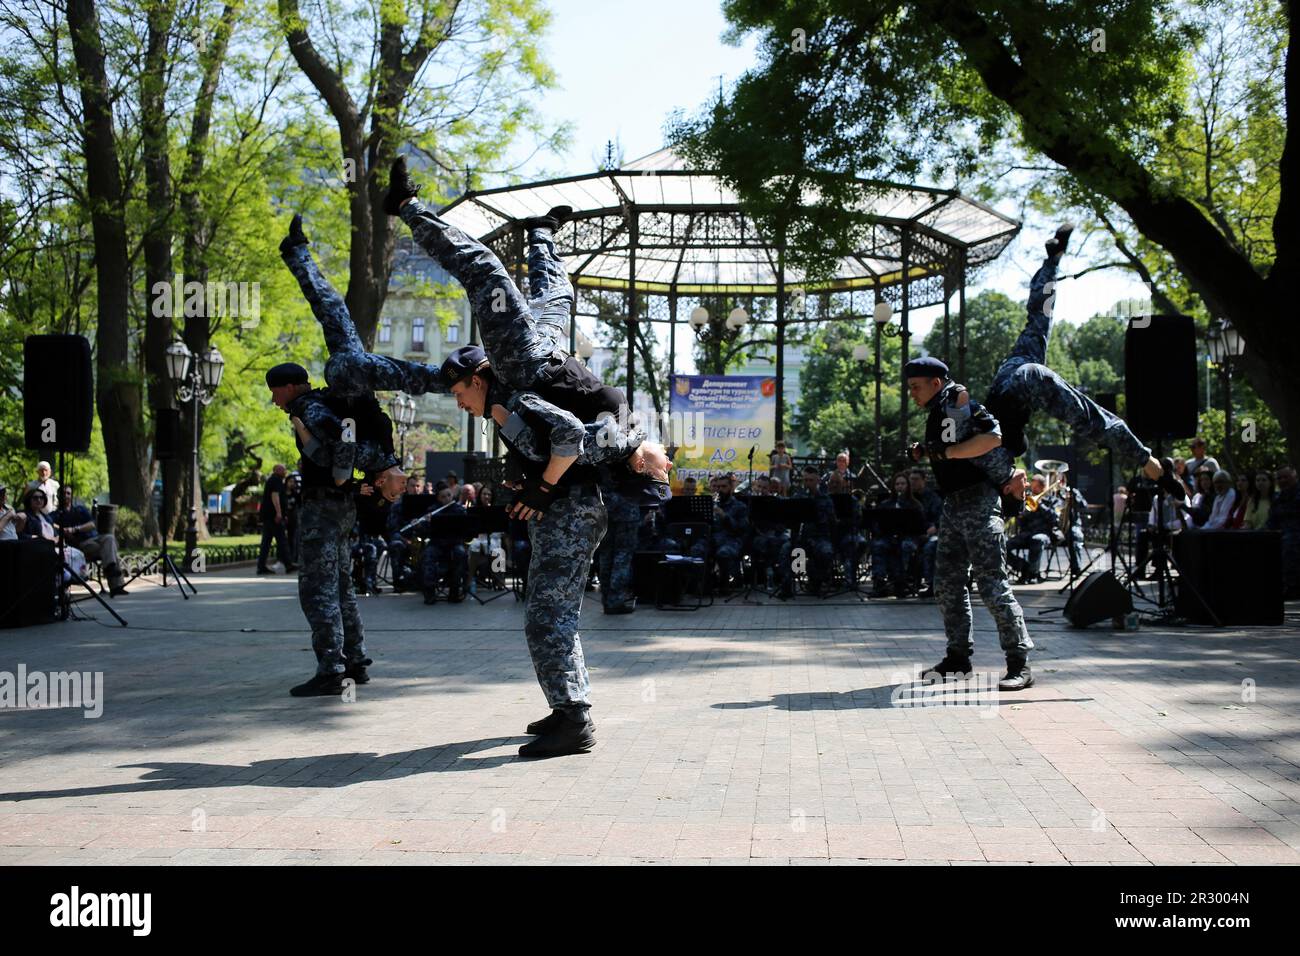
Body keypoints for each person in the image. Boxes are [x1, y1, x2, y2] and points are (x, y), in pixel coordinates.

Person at [971, 225, 1177, 500]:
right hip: (1009, 371)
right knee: (1038, 318)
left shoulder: (993, 462)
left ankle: (1149, 464)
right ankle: (1052, 260)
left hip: (1025, 384)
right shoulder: (984, 447)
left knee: (1092, 420)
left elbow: (1009, 477)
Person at [906, 356, 1034, 692]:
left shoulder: (959, 403)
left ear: (936, 383)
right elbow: (951, 445)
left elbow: (993, 438)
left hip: (979, 501)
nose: (912, 394)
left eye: (916, 387)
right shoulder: (941, 410)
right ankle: (958, 659)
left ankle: (1019, 663)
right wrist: (927, 451)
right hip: (954, 505)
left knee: (991, 585)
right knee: (947, 583)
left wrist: (945, 454)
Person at [265, 363, 394, 697]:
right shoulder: (319, 404)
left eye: (275, 391)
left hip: (321, 509)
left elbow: (339, 441)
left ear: (291, 386)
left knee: (317, 590)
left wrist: (338, 473)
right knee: (341, 587)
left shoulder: (309, 408)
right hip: (341, 505)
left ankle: (330, 670)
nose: (274, 399)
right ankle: (355, 660)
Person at [51, 485, 128, 596]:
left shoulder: (80, 509)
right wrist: (63, 529)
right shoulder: (56, 514)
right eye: (63, 493)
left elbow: (92, 524)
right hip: (81, 544)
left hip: (95, 538)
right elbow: (50, 523)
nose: (66, 496)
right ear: (58, 496)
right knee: (109, 548)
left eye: (68, 493)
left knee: (109, 538)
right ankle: (116, 584)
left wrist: (75, 529)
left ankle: (109, 568)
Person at [870, 472, 922, 598]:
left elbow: (921, 525)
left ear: (908, 486)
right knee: (878, 545)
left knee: (905, 546)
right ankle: (879, 583)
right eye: (897, 484)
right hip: (888, 537)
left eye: (903, 484)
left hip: (908, 538)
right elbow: (876, 523)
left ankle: (902, 583)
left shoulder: (915, 505)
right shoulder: (885, 504)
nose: (900, 487)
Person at [793, 466, 836, 595]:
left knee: (826, 552)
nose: (807, 483)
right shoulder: (798, 497)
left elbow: (832, 520)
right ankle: (791, 584)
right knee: (788, 550)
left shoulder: (825, 498)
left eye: (811, 480)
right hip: (802, 538)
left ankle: (817, 582)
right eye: (805, 480)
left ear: (818, 481)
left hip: (820, 537)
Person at [1006, 474, 1057, 583]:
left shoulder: (1050, 500)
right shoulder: (1027, 499)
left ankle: (1033, 574)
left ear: (1043, 487)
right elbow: (1020, 520)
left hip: (1042, 533)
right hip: (1026, 534)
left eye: (1036, 487)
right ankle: (1023, 567)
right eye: (1032, 487)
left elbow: (1054, 518)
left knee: (1037, 540)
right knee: (1004, 545)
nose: (1033, 490)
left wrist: (1040, 505)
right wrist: (1023, 512)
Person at [257, 464, 295, 574]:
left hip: (268, 516)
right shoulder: (276, 481)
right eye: (284, 470)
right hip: (273, 517)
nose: (285, 472)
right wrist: (279, 513)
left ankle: (261, 566)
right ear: (278, 470)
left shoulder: (272, 480)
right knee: (282, 540)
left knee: (266, 541)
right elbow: (275, 496)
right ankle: (288, 564)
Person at [909, 469, 943, 597]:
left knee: (931, 547)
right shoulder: (907, 498)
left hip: (930, 534)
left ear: (924, 480)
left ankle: (930, 584)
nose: (913, 482)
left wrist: (935, 527)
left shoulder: (933, 497)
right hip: (911, 535)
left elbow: (940, 517)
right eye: (911, 479)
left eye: (916, 479)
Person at [1269, 466, 1300, 598]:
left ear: (1295, 477)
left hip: (1295, 533)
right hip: (1280, 532)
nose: (1282, 480)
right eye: (1279, 478)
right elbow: (1272, 519)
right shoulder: (1278, 497)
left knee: (1289, 543)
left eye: (1286, 477)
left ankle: (1292, 587)